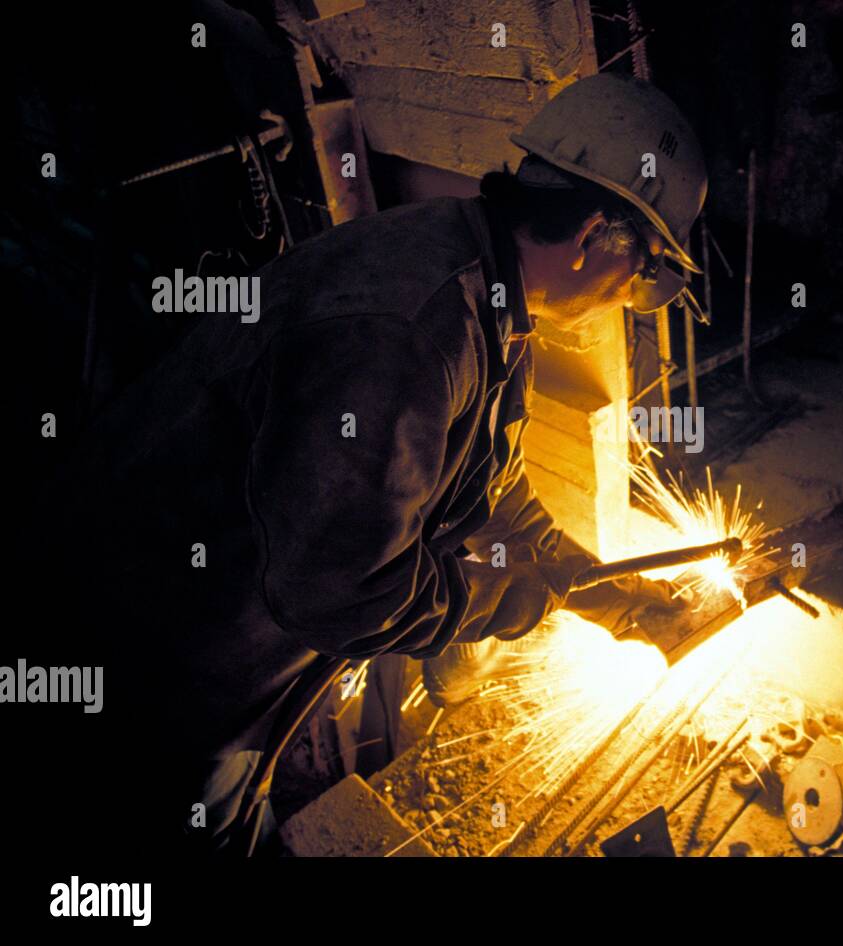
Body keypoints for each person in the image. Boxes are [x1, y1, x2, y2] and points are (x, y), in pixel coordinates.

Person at [41, 73, 708, 853]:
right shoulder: (406, 335)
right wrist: (523, 598)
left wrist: (608, 592)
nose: (629, 298)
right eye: (644, 275)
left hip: (229, 634)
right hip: (160, 645)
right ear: (594, 234)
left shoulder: (482, 282)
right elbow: (349, 595)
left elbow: (487, 488)